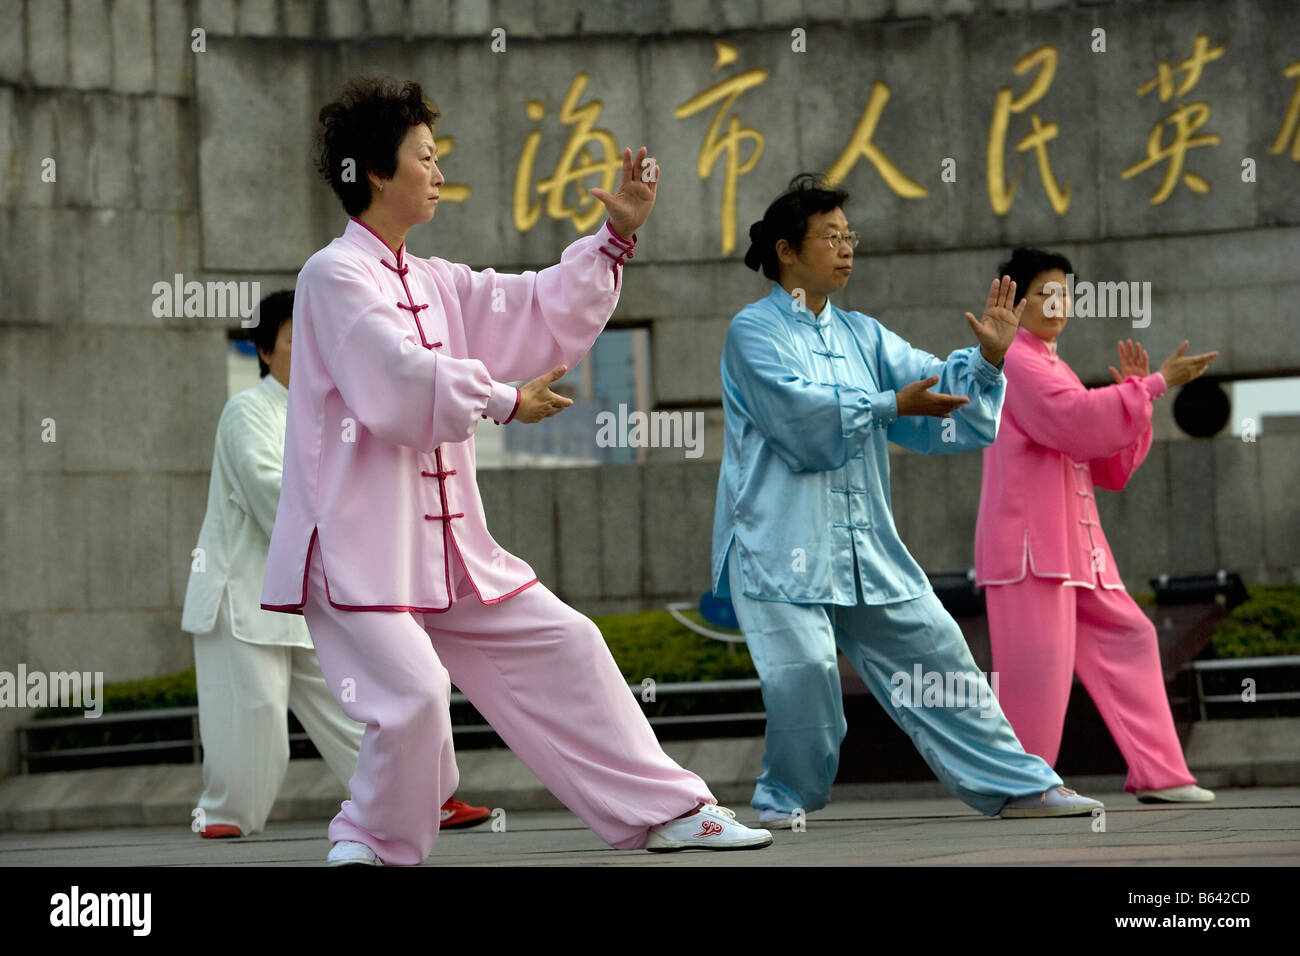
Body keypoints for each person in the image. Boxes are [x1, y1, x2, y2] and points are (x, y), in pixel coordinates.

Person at [260, 74, 771, 865]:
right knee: (416, 697)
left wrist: (613, 240)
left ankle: (671, 811)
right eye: (423, 157)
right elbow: (390, 380)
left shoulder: (433, 280)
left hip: (450, 548)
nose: (437, 171)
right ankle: (366, 841)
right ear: (376, 174)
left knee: (569, 642)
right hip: (360, 550)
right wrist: (501, 399)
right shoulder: (333, 276)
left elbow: (530, 305)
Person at [712, 173, 1105, 826]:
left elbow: (935, 392)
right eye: (832, 236)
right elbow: (800, 421)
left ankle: (1019, 785)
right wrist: (891, 403)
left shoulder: (865, 335)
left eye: (850, 236)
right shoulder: (752, 333)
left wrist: (984, 360)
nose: (847, 248)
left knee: (940, 653)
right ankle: (785, 799)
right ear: (786, 251)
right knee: (804, 674)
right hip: (781, 545)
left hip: (866, 545)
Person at [181, 290, 491, 837]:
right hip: (244, 593)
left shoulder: (332, 408)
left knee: (355, 708)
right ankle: (225, 814)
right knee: (251, 710)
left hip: (310, 593)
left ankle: (422, 797)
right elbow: (268, 491)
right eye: (295, 338)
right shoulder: (246, 410)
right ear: (264, 352)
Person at [974, 247, 1218, 804]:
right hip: (1030, 550)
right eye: (1045, 292)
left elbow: (1105, 464)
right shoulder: (1017, 361)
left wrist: (1138, 402)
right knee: (1038, 674)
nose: (1058, 304)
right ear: (1014, 299)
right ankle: (1024, 789)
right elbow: (1076, 421)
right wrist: (1151, 386)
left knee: (1130, 637)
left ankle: (1162, 774)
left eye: (1065, 294)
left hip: (1077, 550)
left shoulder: (1051, 364)